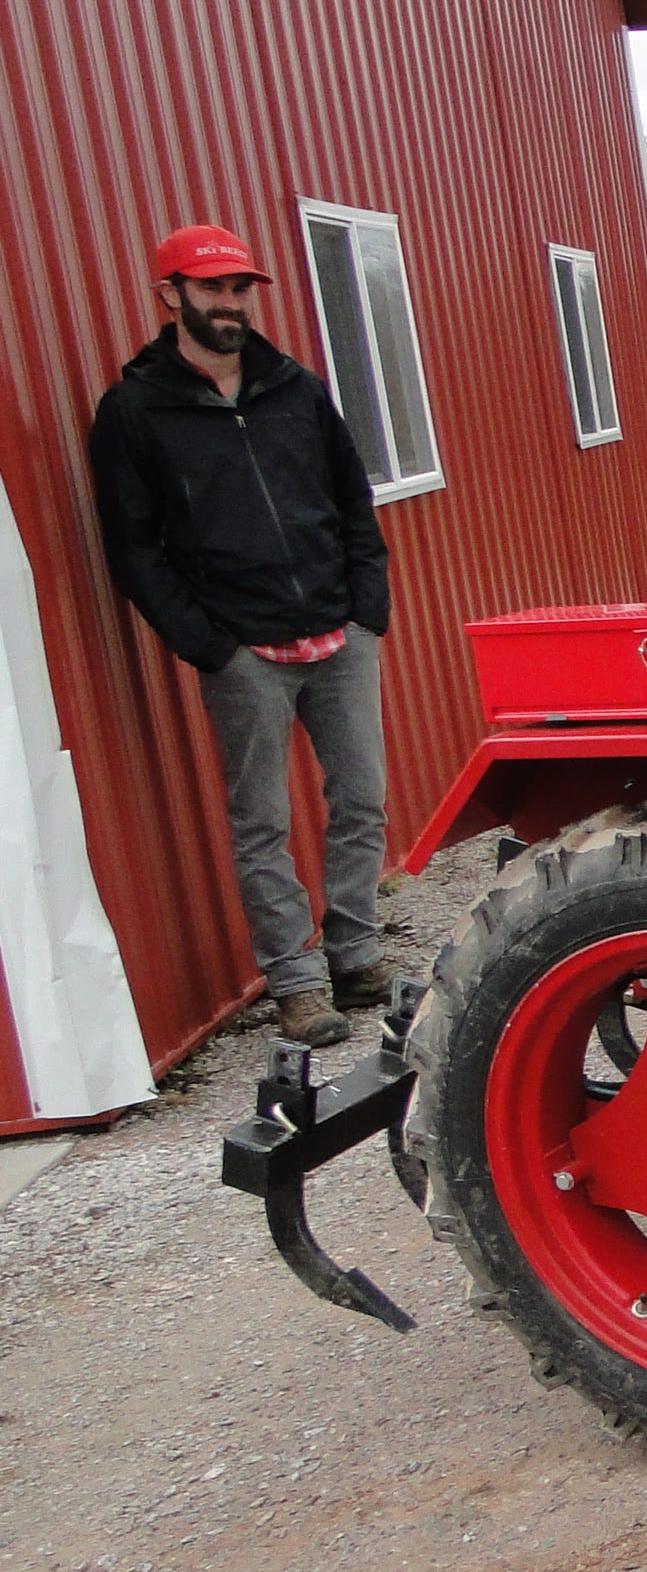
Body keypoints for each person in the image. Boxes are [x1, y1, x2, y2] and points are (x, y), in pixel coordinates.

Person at [90, 225, 392, 1047]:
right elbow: (134, 549)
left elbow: (352, 502)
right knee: (260, 820)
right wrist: (208, 644)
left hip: (338, 632)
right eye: (212, 289)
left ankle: (356, 953)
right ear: (170, 295)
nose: (230, 304)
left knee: (361, 799)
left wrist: (367, 608)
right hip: (242, 651)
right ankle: (296, 981)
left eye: (239, 289)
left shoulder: (296, 388)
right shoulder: (134, 411)